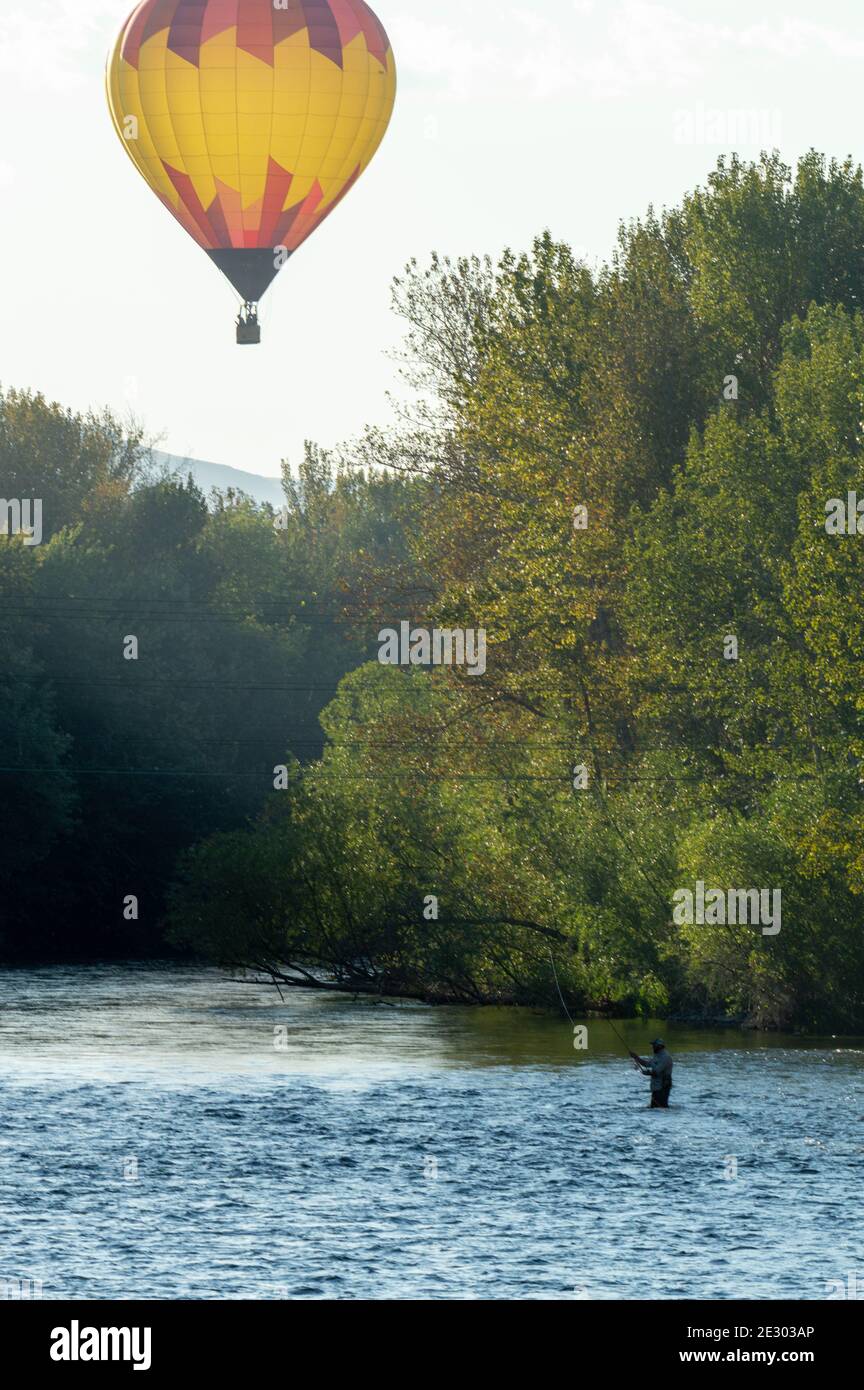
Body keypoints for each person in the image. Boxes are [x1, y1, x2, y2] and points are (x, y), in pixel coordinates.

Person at [630, 1038, 673, 1107]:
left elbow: (656, 1072)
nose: (652, 1047)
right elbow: (647, 1064)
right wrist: (636, 1057)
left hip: (662, 1088)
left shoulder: (666, 1058)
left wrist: (646, 1073)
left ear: (659, 1046)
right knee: (655, 1107)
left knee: (660, 1108)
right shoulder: (657, 1055)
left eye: (654, 1046)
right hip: (656, 1088)